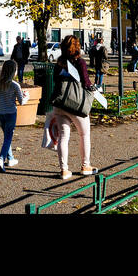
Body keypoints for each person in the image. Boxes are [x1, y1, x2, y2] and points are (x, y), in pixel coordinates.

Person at [52, 35, 96, 180]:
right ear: (77, 47)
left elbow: (54, 80)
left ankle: (64, 170)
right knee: (84, 134)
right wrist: (94, 89)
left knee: (63, 137)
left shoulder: (59, 63)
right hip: (76, 105)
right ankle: (85, 165)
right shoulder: (80, 62)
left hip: (60, 104)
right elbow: (86, 82)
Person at [0, 60, 27, 170]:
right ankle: (1, 159)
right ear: (14, 72)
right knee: (8, 137)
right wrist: (27, 97)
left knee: (6, 136)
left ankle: (10, 158)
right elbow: (21, 101)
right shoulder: (15, 85)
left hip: (0, 112)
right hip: (11, 112)